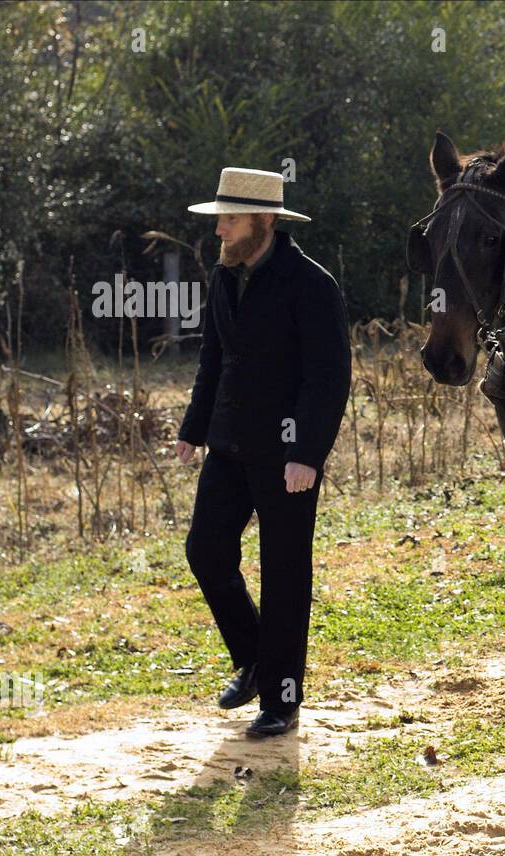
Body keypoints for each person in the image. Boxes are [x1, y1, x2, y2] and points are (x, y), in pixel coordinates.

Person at [174, 167, 351, 738]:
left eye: (229, 219)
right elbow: (213, 358)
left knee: (284, 573)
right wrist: (193, 428)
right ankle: (255, 659)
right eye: (220, 219)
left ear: (264, 221)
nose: (219, 231)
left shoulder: (312, 285)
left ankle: (281, 699)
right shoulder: (224, 276)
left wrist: (305, 452)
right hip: (227, 445)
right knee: (206, 552)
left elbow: (326, 380)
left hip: (287, 457)